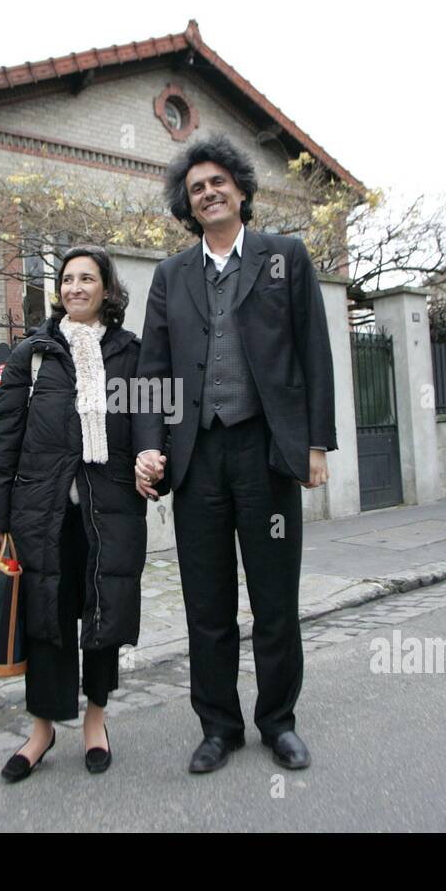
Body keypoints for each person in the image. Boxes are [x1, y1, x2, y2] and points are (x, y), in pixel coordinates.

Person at [132, 134, 336, 774]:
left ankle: (278, 721)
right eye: (196, 188)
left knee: (275, 600)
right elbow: (153, 370)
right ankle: (218, 727)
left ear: (242, 191)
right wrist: (149, 449)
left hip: (267, 452)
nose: (209, 192)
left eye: (218, 181)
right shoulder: (171, 276)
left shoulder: (285, 257)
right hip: (197, 461)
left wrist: (316, 441)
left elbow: (314, 351)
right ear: (186, 206)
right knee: (207, 606)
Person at [0, 244, 147, 782]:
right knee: (44, 621)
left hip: (109, 508)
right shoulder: (33, 354)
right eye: (67, 279)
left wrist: (152, 463)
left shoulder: (130, 353)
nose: (75, 287)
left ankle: (96, 720)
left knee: (104, 615)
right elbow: (1, 444)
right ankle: (42, 730)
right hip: (41, 513)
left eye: (87, 279)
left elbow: (147, 423)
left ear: (106, 289)